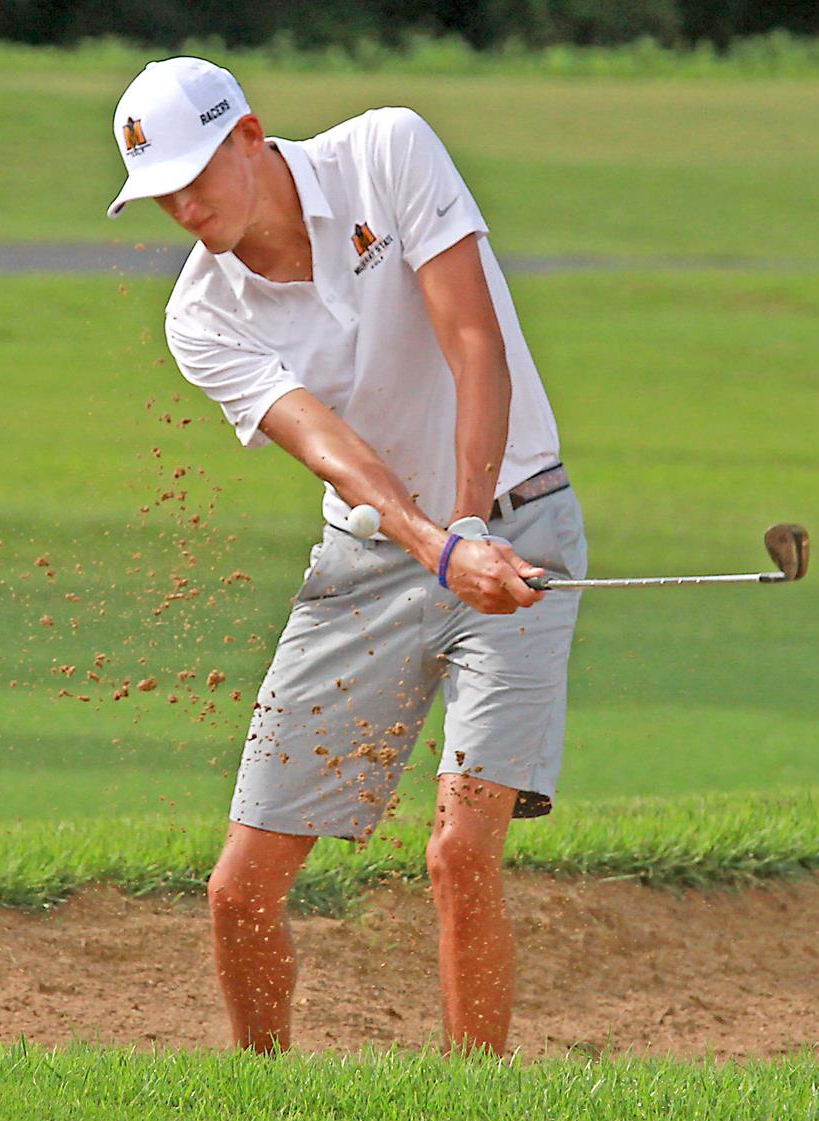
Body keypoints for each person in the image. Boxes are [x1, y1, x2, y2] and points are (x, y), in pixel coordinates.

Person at [106, 56, 587, 1056]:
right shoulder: (199, 315)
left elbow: (474, 343)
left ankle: (473, 1095)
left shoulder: (387, 150)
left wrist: (469, 528)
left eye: (194, 176)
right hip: (367, 561)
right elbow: (328, 447)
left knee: (460, 850)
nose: (184, 209)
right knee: (238, 889)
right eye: (160, 195)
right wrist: (434, 544)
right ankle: (263, 1091)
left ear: (248, 136)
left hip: (519, 529)